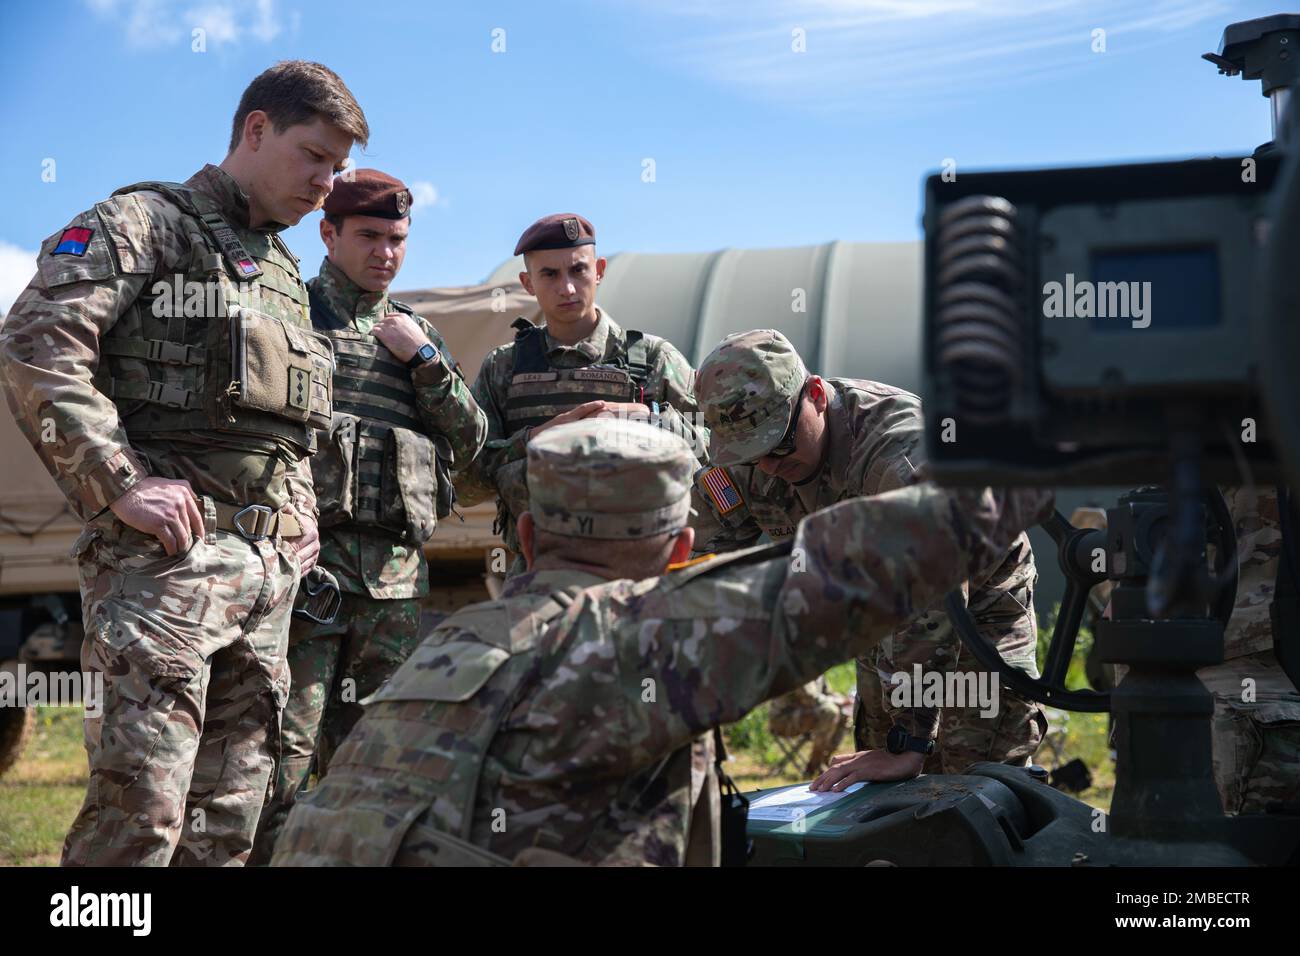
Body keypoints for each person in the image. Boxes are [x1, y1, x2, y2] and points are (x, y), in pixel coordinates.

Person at [270, 417, 1052, 866]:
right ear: (682, 552)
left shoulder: (448, 640)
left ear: (532, 536)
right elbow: (870, 562)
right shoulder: (637, 640)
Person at [0, 61, 369, 866]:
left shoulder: (282, 275)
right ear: (257, 129)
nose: (326, 183)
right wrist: (120, 485)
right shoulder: (146, 222)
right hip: (165, 574)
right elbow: (36, 349)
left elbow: (292, 423)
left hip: (266, 582)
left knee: (230, 823)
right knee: (138, 820)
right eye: (314, 156)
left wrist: (300, 514)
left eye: (338, 167)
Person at [249, 169, 488, 864]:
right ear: (328, 233)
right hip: (305, 584)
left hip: (394, 592)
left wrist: (426, 364)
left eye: (397, 239)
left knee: (383, 771)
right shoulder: (291, 316)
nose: (385, 252)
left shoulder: (419, 336)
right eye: (369, 236)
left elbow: (471, 446)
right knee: (280, 765)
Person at [688, 330, 1046, 789]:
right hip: (880, 615)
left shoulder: (901, 454)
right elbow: (693, 548)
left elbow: (933, 597)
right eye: (752, 455)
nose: (770, 466)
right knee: (880, 795)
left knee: (976, 783)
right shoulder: (752, 454)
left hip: (976, 609)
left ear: (815, 396)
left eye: (778, 444)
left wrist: (910, 741)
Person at [457, 213, 706, 573]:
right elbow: (466, 484)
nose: (568, 288)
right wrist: (534, 439)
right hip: (538, 570)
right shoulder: (503, 369)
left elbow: (718, 450)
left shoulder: (653, 358)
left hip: (641, 569)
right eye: (550, 274)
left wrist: (656, 421)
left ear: (600, 270)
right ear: (527, 282)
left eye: (578, 270)